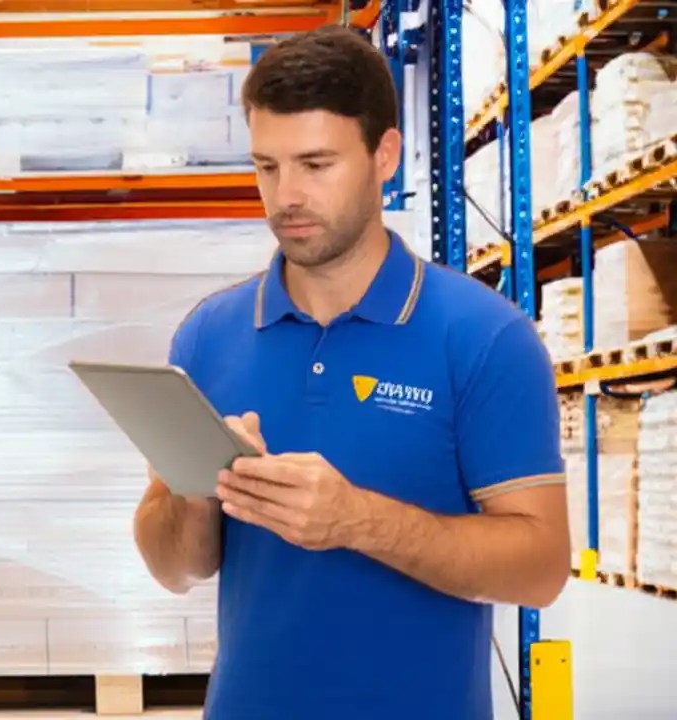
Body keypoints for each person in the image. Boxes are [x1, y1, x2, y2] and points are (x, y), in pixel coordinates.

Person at [132, 25, 570, 720]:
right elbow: (173, 567)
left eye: (316, 163)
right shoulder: (208, 337)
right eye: (267, 167)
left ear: (384, 155)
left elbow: (543, 568)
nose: (287, 197)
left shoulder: (486, 338)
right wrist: (197, 493)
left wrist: (355, 519)